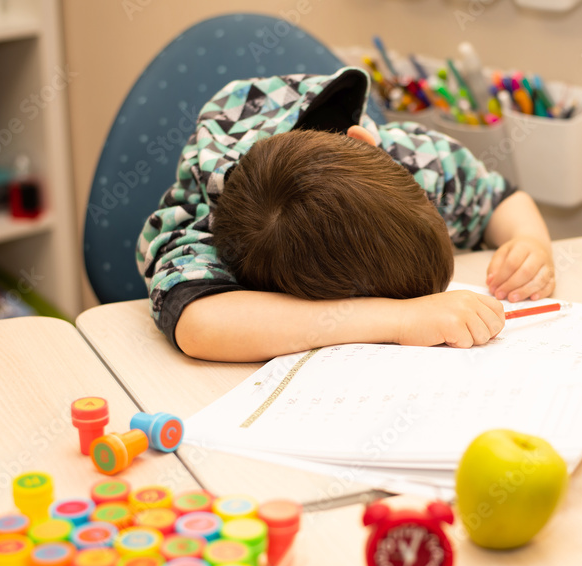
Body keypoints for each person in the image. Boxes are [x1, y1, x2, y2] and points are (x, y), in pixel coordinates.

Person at [137, 67, 555, 362]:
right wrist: (400, 320)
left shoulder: (404, 157)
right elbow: (200, 326)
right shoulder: (202, 228)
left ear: (370, 145)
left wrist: (530, 243)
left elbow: (501, 198)